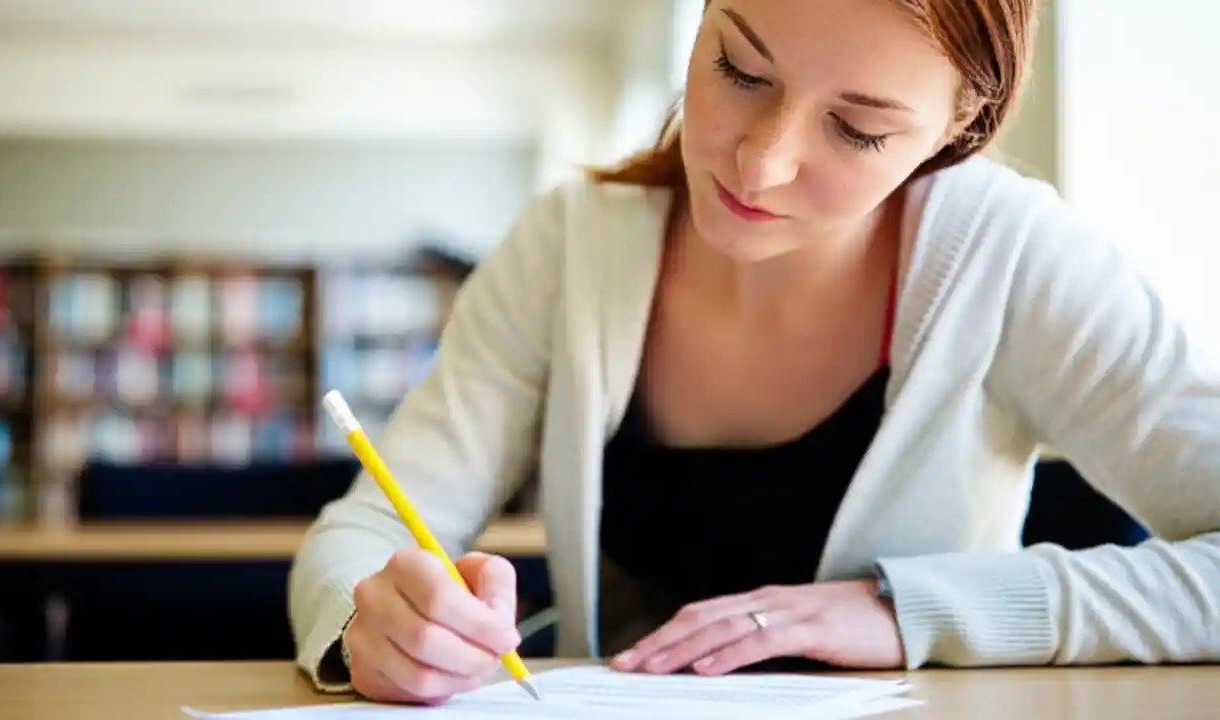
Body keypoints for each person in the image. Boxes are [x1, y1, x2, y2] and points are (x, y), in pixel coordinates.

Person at [290, 0, 1220, 704]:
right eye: (739, 68)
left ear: (959, 126)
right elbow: (363, 533)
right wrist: (376, 617)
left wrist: (910, 608)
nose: (760, 163)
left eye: (857, 129)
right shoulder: (567, 248)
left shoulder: (1015, 260)